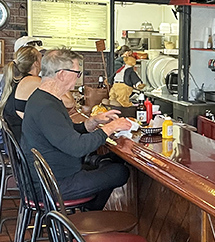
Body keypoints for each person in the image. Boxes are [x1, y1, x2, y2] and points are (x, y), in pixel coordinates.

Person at [22, 48, 133, 211]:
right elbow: (77, 148)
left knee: (109, 162)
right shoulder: (47, 107)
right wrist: (110, 128)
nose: (77, 78)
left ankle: (88, 213)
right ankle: (88, 216)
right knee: (119, 172)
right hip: (52, 184)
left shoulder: (42, 99)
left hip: (51, 176)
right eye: (77, 73)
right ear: (61, 74)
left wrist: (90, 123)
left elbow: (62, 132)